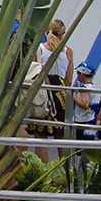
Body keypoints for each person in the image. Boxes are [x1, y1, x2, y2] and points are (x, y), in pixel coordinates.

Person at [29, 19, 74, 162]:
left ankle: (43, 175)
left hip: (44, 94)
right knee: (61, 137)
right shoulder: (67, 52)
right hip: (60, 94)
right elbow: (68, 80)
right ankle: (65, 174)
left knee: (40, 138)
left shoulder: (40, 49)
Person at [71, 61, 99, 141]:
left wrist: (74, 97)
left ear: (82, 74)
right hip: (89, 119)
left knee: (82, 143)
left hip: (82, 120)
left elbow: (84, 104)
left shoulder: (84, 88)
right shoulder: (92, 86)